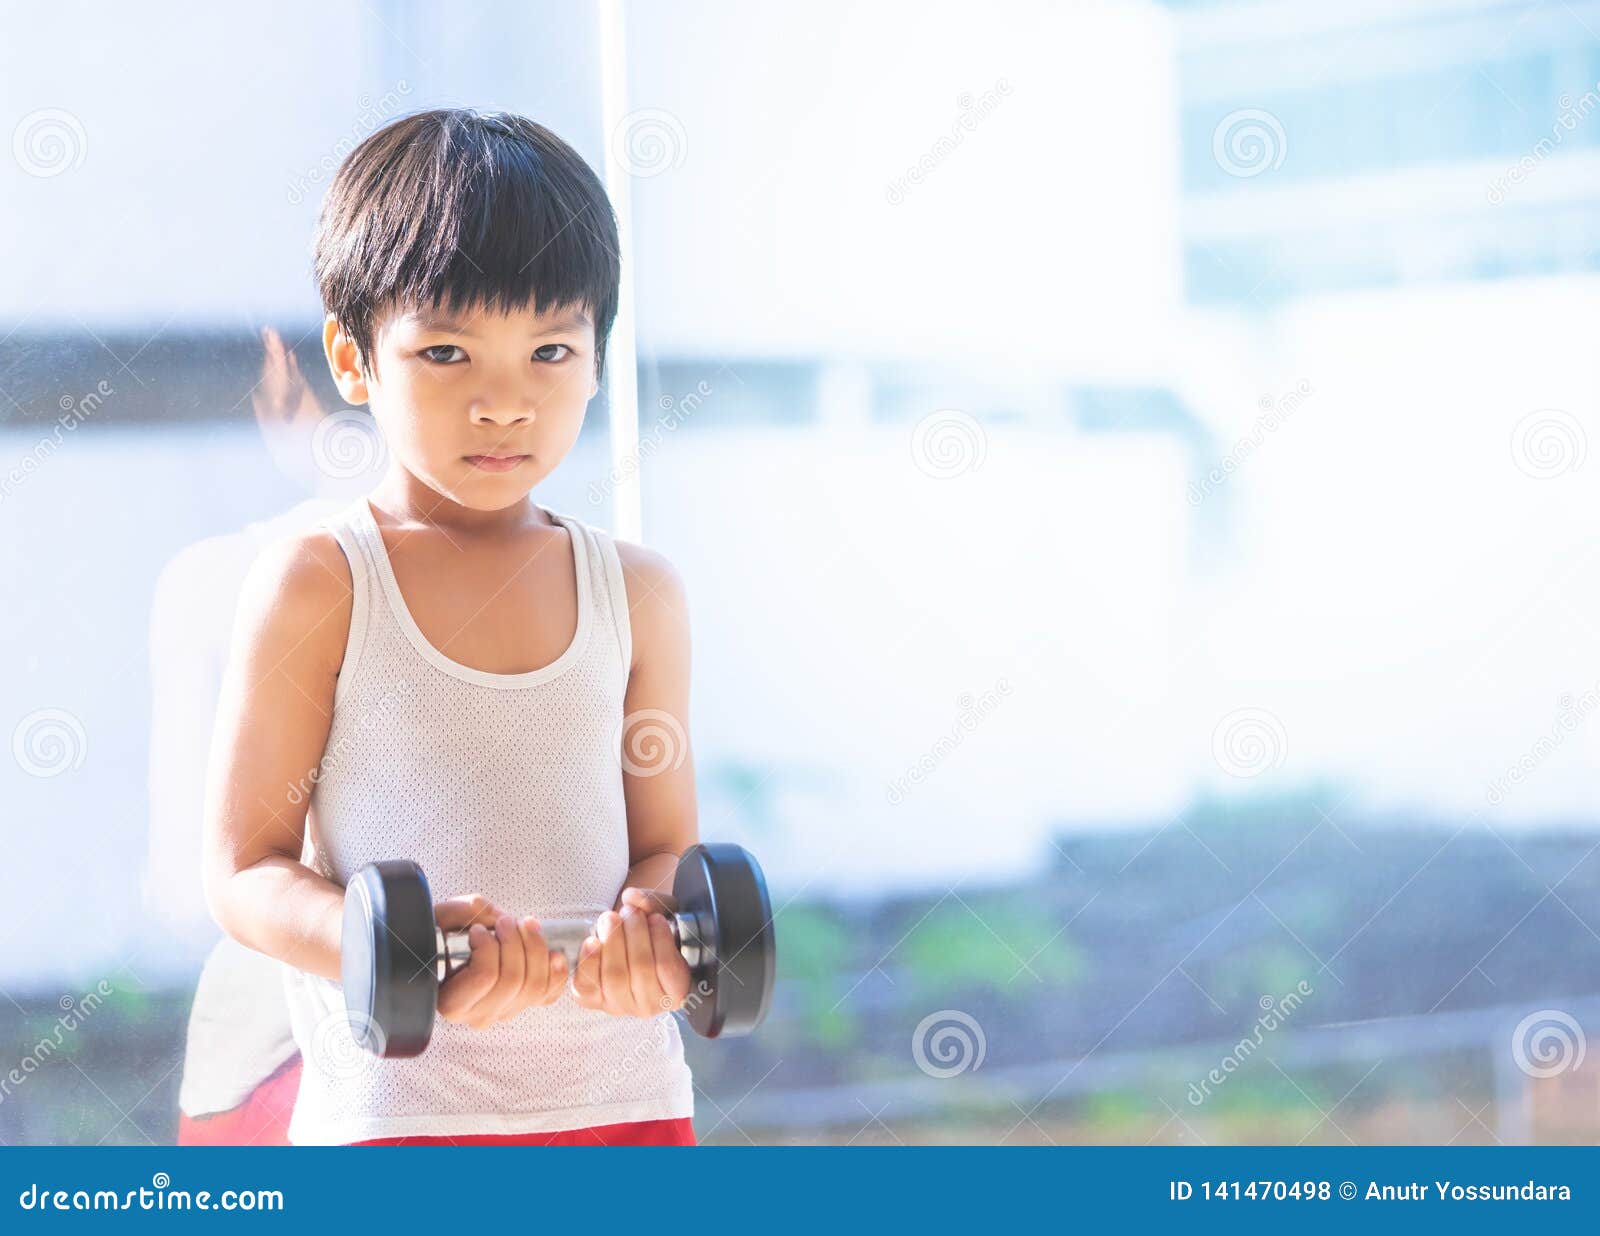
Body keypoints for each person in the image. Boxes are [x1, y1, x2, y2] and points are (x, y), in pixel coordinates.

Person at [200, 108, 698, 1146]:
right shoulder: (320, 582)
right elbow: (245, 873)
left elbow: (664, 853)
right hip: (398, 1122)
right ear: (352, 358)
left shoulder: (639, 593)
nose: (504, 403)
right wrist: (393, 947)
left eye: (550, 349)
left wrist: (651, 936)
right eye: (446, 352)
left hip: (627, 1109)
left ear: (599, 359)